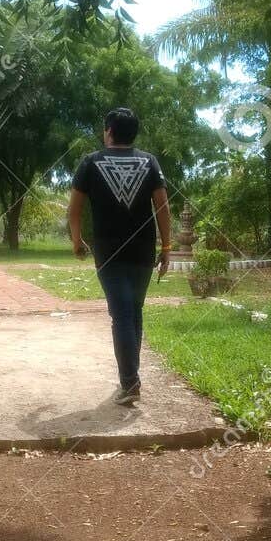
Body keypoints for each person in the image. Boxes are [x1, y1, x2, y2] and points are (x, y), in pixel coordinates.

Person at [68, 107, 173, 406]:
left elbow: (74, 210)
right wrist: (166, 248)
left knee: (123, 314)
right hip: (143, 250)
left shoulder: (90, 162)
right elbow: (163, 208)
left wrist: (77, 242)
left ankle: (129, 383)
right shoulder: (149, 162)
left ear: (109, 131)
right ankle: (131, 378)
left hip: (108, 251)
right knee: (133, 311)